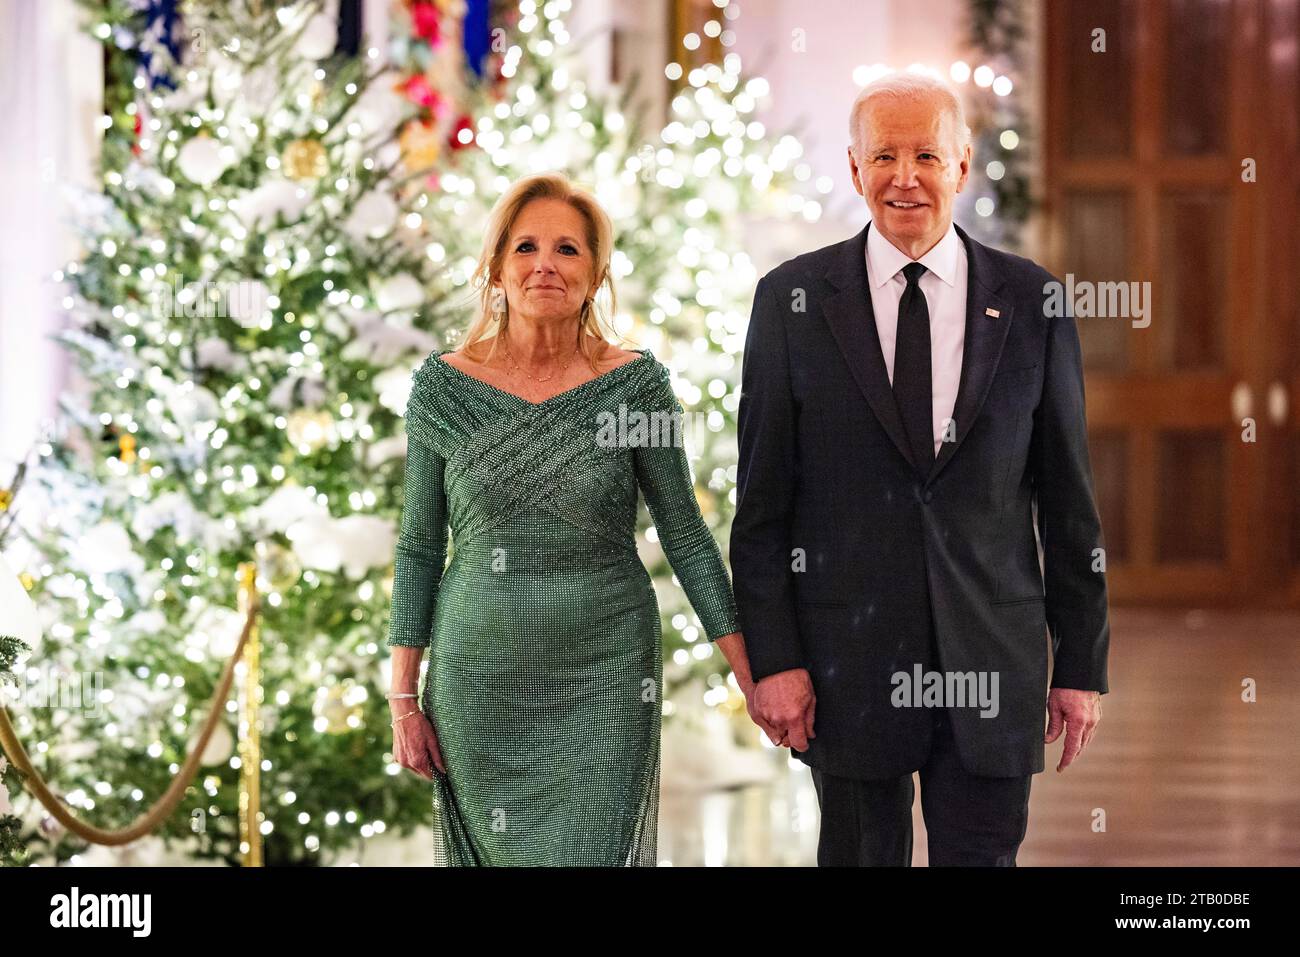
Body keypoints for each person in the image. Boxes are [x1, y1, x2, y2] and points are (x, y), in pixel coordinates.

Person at [730, 72, 1111, 866]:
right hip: (846, 665)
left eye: (927, 155)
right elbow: (762, 508)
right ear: (854, 168)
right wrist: (776, 661)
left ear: (962, 167)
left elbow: (1069, 502)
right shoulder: (791, 301)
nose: (906, 177)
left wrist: (1080, 665)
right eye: (885, 156)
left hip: (992, 659)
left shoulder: (1033, 302)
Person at [384, 172, 769, 865]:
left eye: (568, 250)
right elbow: (418, 548)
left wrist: (750, 672)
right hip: (479, 678)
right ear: (497, 268)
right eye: (526, 247)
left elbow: (684, 533)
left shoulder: (636, 385)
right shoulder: (442, 389)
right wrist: (402, 699)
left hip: (606, 677)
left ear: (596, 274)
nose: (545, 265)